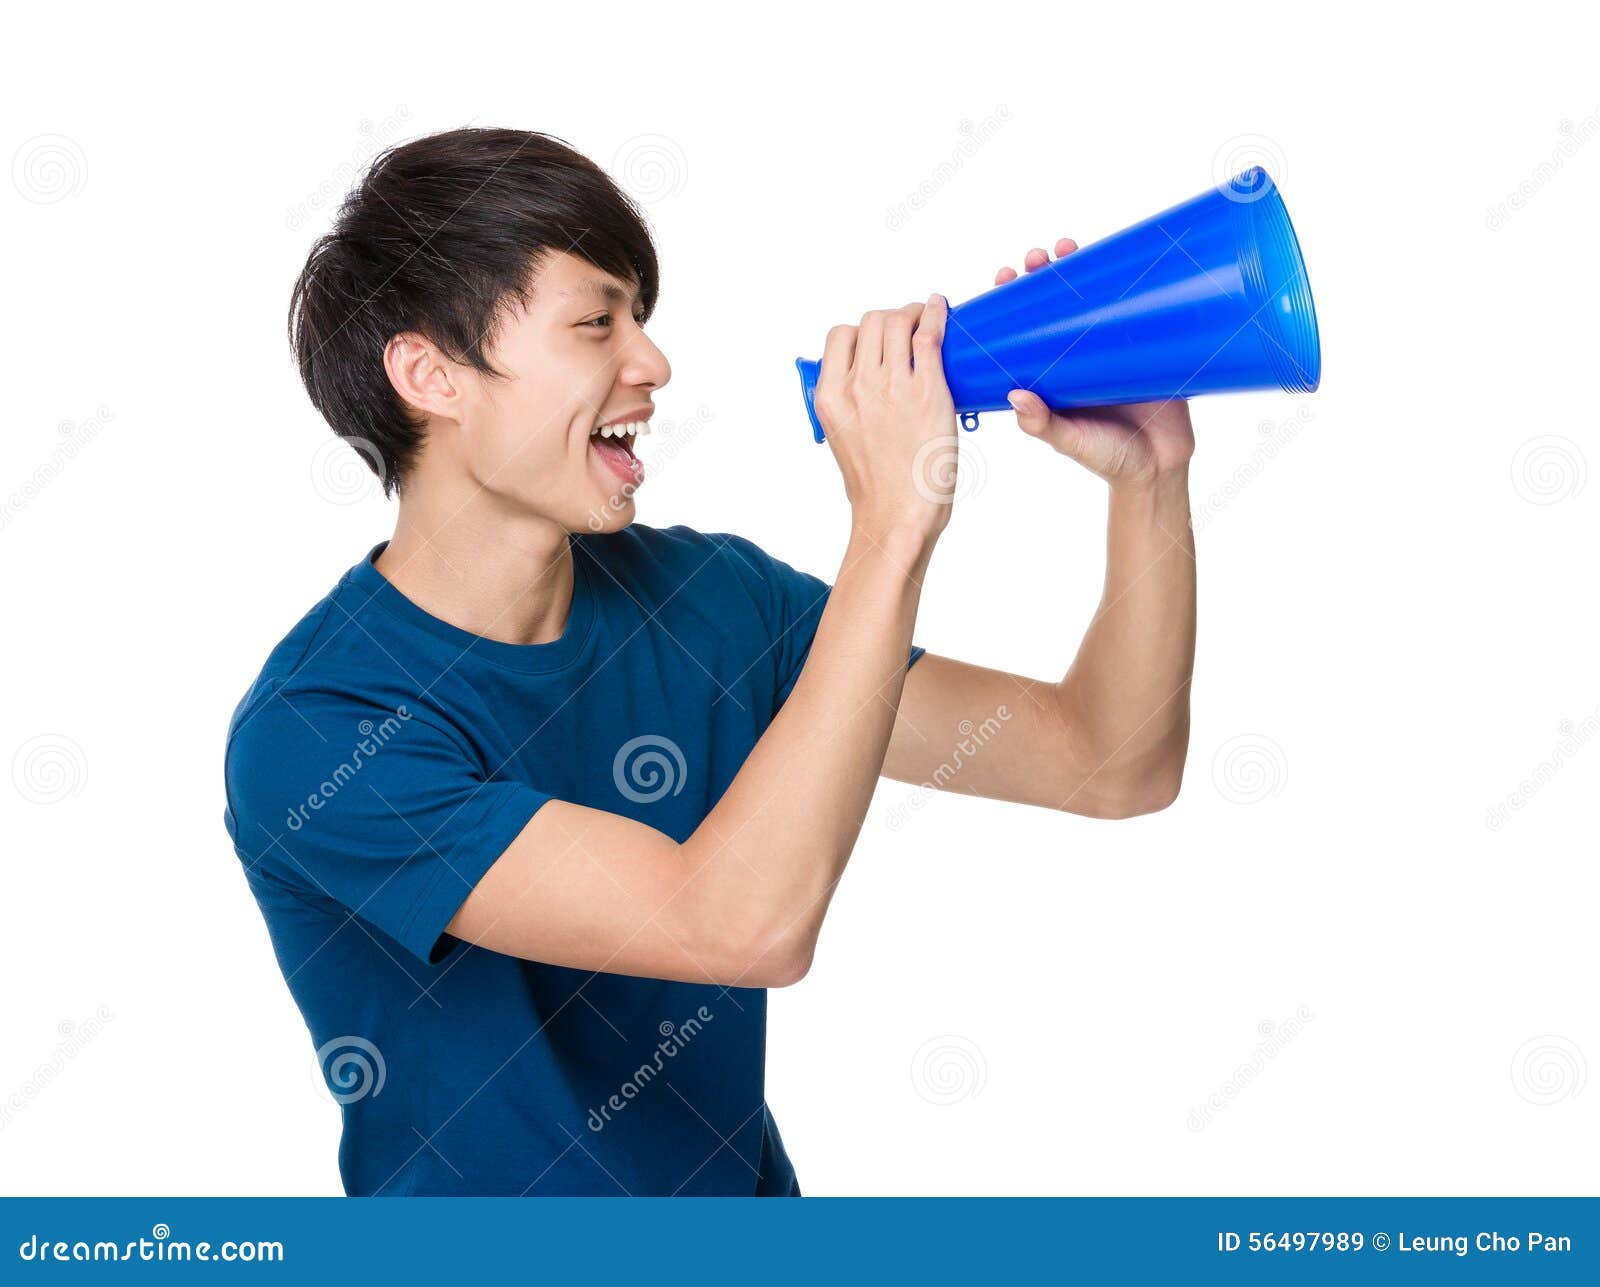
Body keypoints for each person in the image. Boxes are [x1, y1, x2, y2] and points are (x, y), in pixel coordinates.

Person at [222, 127, 1197, 1197]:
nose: (652, 364)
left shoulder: (711, 601)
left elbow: (1108, 762)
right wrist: (890, 531)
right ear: (430, 374)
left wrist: (1147, 486)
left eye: (640, 317)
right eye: (596, 322)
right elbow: (739, 927)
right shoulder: (319, 730)